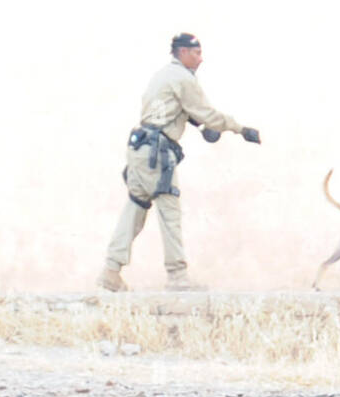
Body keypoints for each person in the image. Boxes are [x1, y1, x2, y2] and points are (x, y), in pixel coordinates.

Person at [97, 33, 261, 292]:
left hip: (140, 150)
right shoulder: (183, 78)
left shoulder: (162, 75)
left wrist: (197, 124)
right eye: (196, 53)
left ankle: (111, 271)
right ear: (183, 52)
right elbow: (207, 113)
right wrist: (240, 129)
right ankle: (177, 277)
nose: (200, 58)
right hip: (157, 154)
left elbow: (167, 109)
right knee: (169, 212)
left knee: (134, 211)